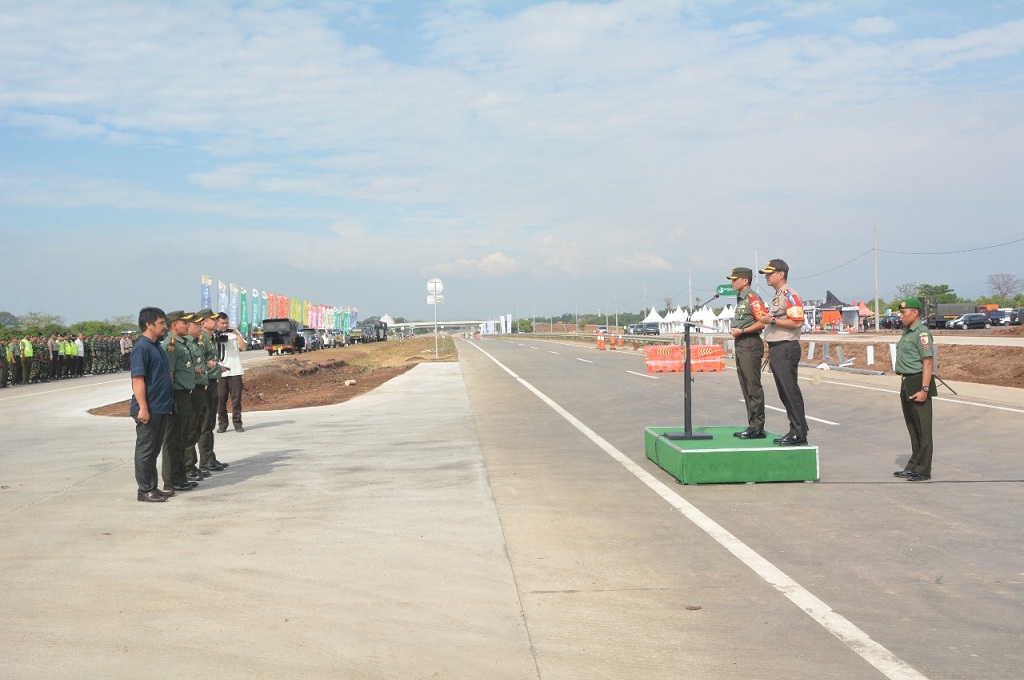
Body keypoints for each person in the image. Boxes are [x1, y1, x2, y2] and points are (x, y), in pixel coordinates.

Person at [756, 259, 809, 446]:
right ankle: (796, 430)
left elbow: (797, 322)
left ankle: (799, 433)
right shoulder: (778, 295)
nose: (766, 277)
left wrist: (772, 321)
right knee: (784, 392)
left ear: (781, 274)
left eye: (770, 273)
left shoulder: (789, 294)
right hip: (777, 347)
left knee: (790, 391)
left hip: (786, 346)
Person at [129, 307, 175, 502]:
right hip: (149, 407)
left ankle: (153, 487)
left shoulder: (156, 346)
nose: (165, 326)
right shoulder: (142, 348)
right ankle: (145, 490)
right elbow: (138, 379)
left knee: (154, 450)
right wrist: (143, 407)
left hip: (161, 406)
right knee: (145, 451)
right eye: (161, 323)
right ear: (149, 325)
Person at [893, 298, 935, 481]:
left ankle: (923, 469)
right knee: (912, 427)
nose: (901, 316)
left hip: (918, 382)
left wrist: (924, 389)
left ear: (915, 313)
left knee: (923, 429)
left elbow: (928, 363)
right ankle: (914, 465)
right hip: (907, 381)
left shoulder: (921, 334)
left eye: (904, 312)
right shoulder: (907, 332)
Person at [160, 311, 199, 494]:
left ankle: (181, 477)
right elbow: (169, 374)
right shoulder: (171, 345)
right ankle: (171, 481)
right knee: (172, 440)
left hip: (185, 395)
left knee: (181, 438)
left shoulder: (181, 344)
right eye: (184, 322)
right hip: (176, 395)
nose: (187, 325)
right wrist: (168, 400)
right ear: (175, 325)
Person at [727, 267, 767, 439]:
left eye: (734, 279)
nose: (732, 282)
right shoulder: (741, 299)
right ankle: (752, 425)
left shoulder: (753, 298)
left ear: (745, 280)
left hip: (750, 342)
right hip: (742, 344)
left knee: (753, 386)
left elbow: (762, 322)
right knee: (745, 386)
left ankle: (758, 427)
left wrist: (742, 331)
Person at [196, 309, 228, 472]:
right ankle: (206, 460)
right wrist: (214, 368)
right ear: (203, 323)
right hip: (206, 384)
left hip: (213, 382)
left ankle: (210, 457)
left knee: (210, 423)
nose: (216, 322)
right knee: (205, 424)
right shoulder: (202, 340)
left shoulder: (209, 338)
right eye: (213, 320)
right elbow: (200, 364)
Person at [215, 312, 247, 433]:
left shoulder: (234, 334)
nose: (224, 325)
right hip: (220, 373)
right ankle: (222, 424)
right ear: (217, 323)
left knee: (236, 399)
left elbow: (243, 348)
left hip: (235, 371)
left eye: (226, 323)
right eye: (222, 323)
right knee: (221, 400)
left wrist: (237, 334)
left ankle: (237, 423)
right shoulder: (213, 335)